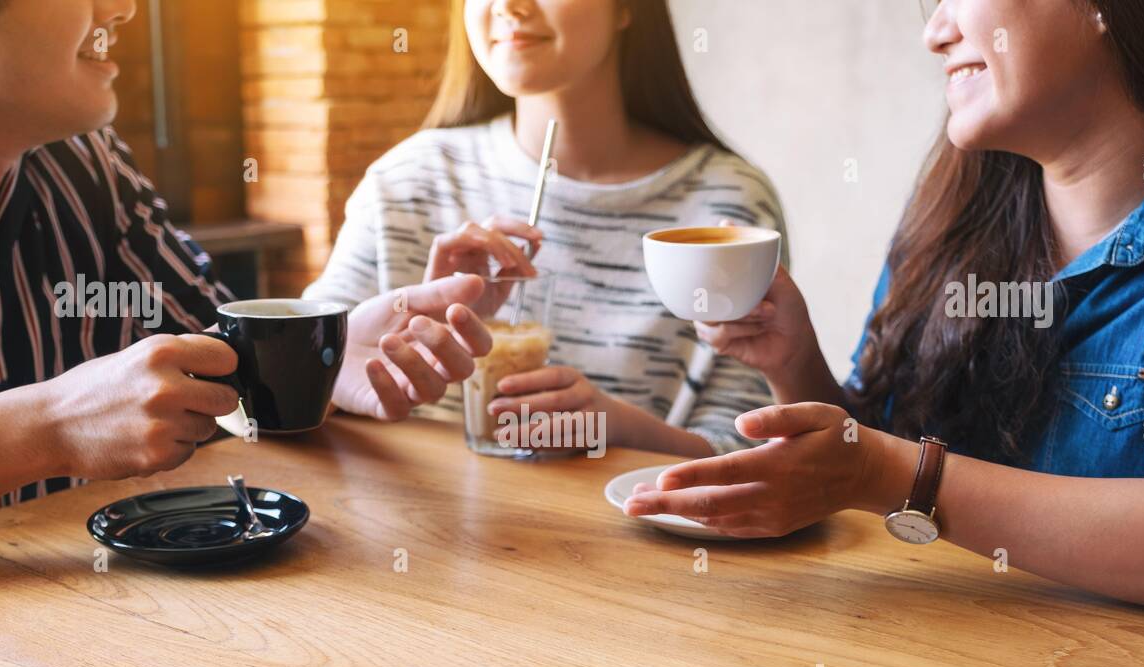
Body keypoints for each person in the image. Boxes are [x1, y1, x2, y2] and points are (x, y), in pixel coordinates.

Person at [626, 0, 1144, 616]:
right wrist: (794, 363)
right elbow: (876, 455)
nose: (935, 33)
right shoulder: (950, 223)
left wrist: (900, 477)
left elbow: (887, 470)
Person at [0, 0, 491, 547]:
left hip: (70, 607)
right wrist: (49, 428)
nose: (124, 9)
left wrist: (311, 362)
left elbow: (212, 362)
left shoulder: (88, 165)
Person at [305, 0, 788, 457]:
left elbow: (752, 449)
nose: (508, 6)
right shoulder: (405, 181)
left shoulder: (727, 204)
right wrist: (332, 377)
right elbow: (286, 388)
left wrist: (616, 430)